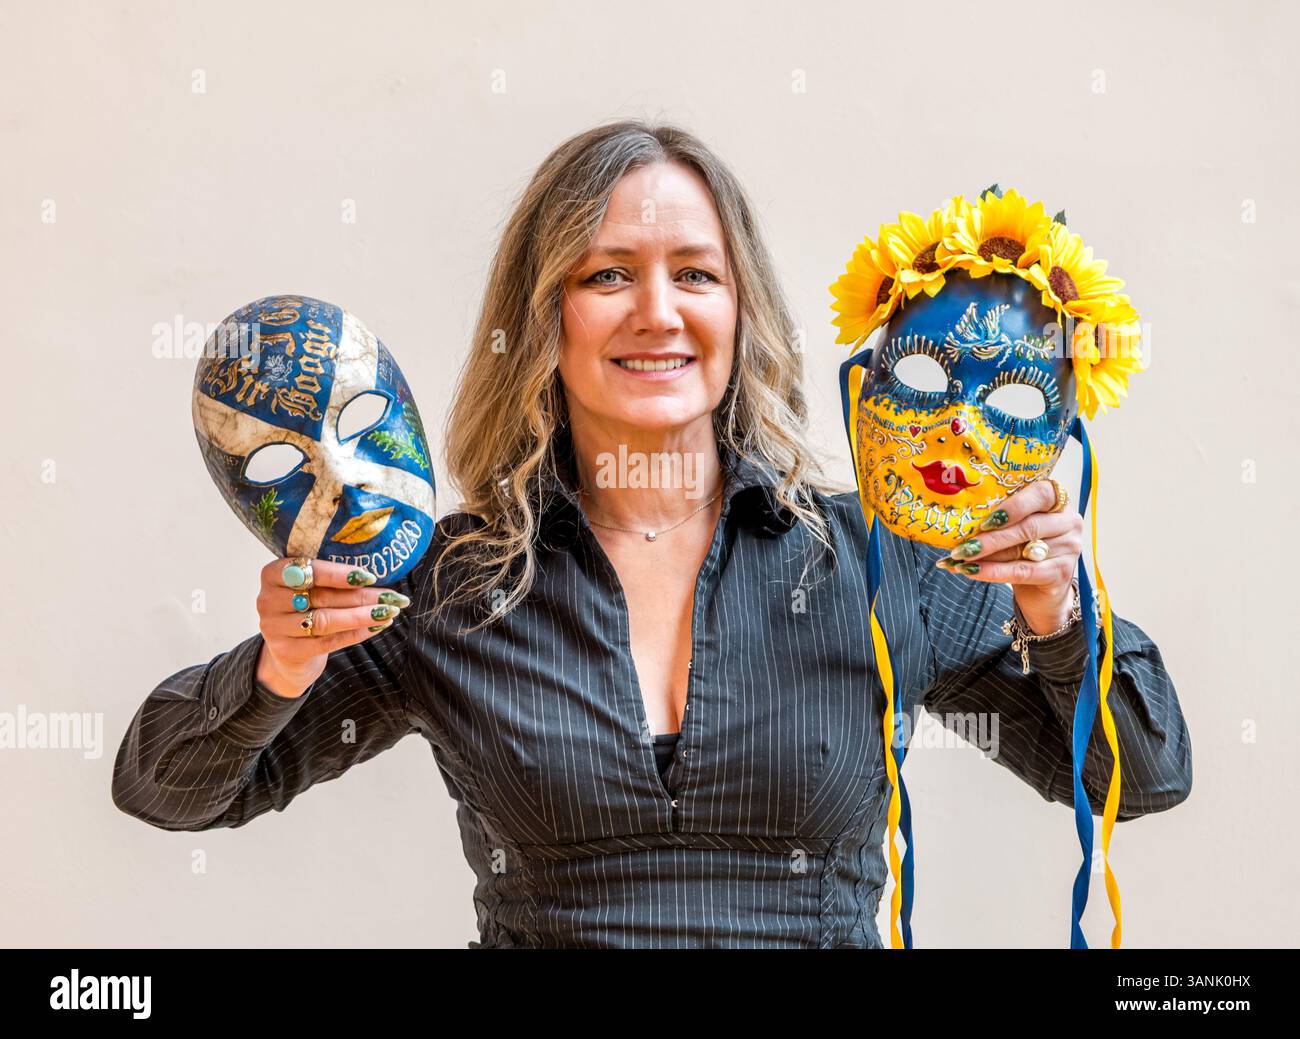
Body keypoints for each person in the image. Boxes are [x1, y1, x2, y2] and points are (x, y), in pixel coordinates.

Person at [112, 119, 1192, 949]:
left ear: (740, 310)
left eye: (695, 273)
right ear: (546, 317)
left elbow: (1136, 779)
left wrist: (1061, 611)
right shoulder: (444, 585)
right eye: (606, 274)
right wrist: (279, 664)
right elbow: (167, 789)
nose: (656, 311)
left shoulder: (882, 560)